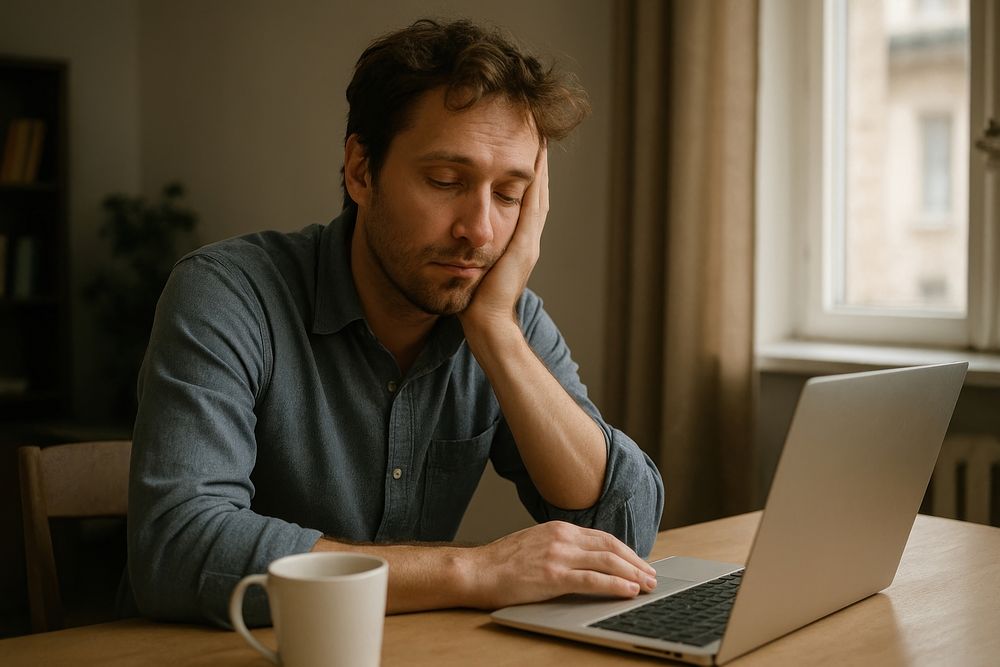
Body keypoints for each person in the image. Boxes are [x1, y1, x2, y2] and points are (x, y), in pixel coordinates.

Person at [122, 18, 664, 627]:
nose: (479, 231)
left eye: (509, 195)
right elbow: (177, 548)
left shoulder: (499, 317)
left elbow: (624, 526)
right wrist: (471, 571)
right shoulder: (227, 294)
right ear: (360, 170)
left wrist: (497, 333)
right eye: (445, 181)